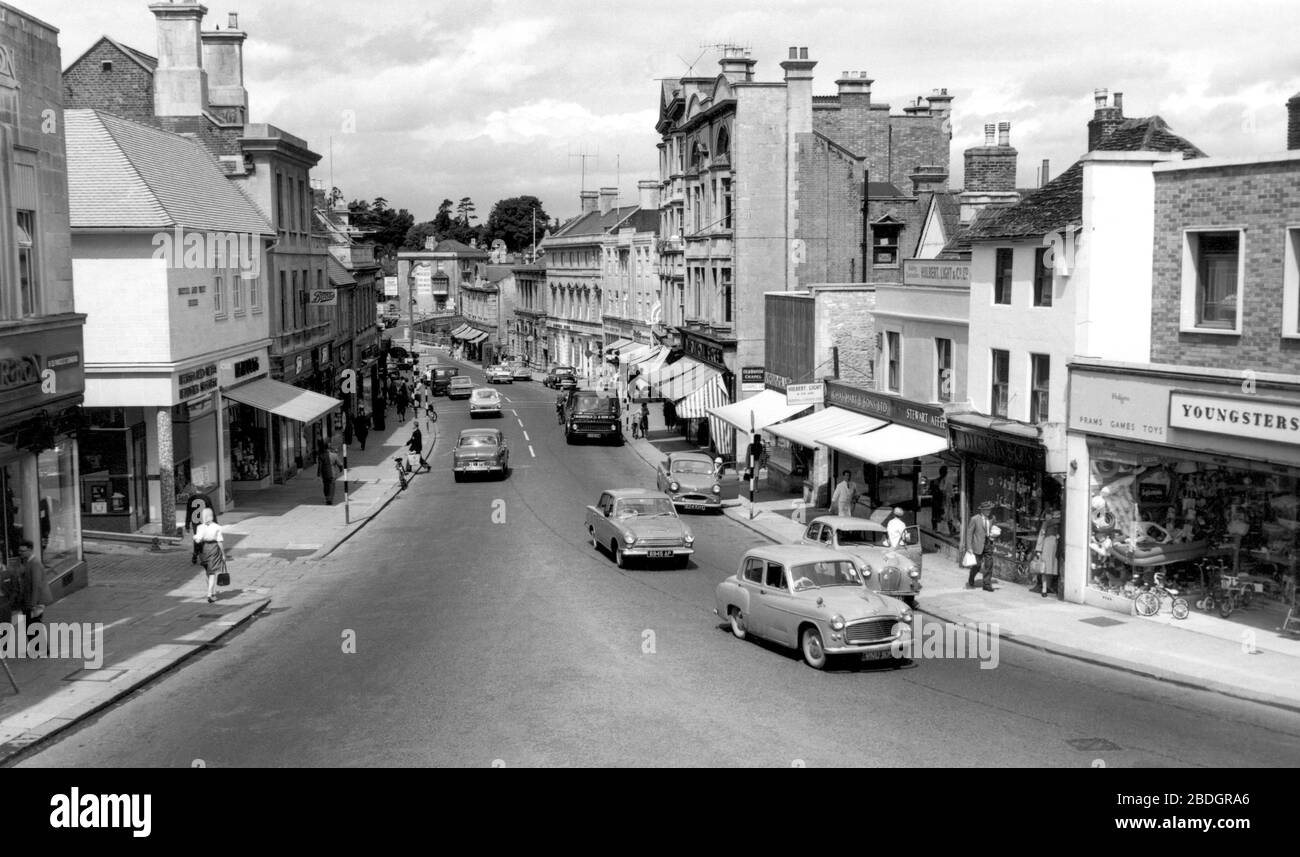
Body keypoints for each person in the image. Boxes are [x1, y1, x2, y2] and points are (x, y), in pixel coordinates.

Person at [191, 508, 227, 603]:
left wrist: (195, 537)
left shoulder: (199, 527)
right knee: (212, 574)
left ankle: (212, 591)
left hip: (203, 550)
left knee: (208, 572)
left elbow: (198, 540)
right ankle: (210, 594)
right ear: (212, 516)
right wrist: (223, 554)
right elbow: (220, 542)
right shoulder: (217, 527)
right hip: (214, 549)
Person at [16, 540, 52, 624]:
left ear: (30, 550)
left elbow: (37, 585)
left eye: (22, 551)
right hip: (29, 602)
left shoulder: (35, 563)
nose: (20, 553)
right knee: (31, 627)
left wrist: (33, 604)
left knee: (33, 626)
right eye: (19, 551)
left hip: (34, 603)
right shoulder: (26, 562)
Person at [966, 500, 997, 592]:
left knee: (989, 564)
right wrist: (969, 547)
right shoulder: (975, 519)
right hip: (978, 544)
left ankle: (987, 584)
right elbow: (969, 533)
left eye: (989, 510)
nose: (988, 512)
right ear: (982, 510)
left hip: (988, 543)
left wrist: (994, 534)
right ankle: (971, 577)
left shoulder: (992, 518)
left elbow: (993, 528)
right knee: (977, 565)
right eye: (987, 510)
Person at [1034, 510, 1062, 597]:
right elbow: (1042, 535)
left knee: (1046, 569)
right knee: (1048, 568)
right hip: (1053, 547)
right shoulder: (1060, 524)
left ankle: (1045, 588)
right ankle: (1046, 588)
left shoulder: (1046, 523)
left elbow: (1041, 535)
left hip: (1048, 547)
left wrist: (1038, 549)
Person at [318, 440, 341, 505]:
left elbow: (320, 465)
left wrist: (319, 473)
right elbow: (340, 464)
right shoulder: (334, 455)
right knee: (332, 486)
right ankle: (330, 499)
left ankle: (327, 497)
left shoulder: (321, 455)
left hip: (324, 474)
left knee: (325, 485)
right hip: (332, 474)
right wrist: (341, 469)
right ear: (330, 448)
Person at [930, 465, 949, 533]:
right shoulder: (946, 482)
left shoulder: (934, 481)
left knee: (936, 516)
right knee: (945, 515)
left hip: (936, 501)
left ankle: (935, 529)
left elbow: (931, 491)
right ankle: (950, 529)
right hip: (940, 501)